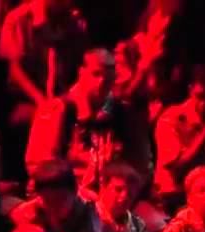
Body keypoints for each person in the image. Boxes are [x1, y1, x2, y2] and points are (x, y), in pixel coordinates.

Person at [25, 48, 150, 190]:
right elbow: (39, 165)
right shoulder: (58, 110)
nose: (102, 82)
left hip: (115, 196)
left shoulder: (123, 113)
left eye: (108, 78)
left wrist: (127, 190)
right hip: (66, 197)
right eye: (96, 74)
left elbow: (141, 164)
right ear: (81, 73)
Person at [153, 66, 205, 212]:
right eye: (200, 97)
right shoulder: (171, 118)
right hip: (175, 198)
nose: (204, 105)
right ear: (190, 90)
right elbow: (177, 167)